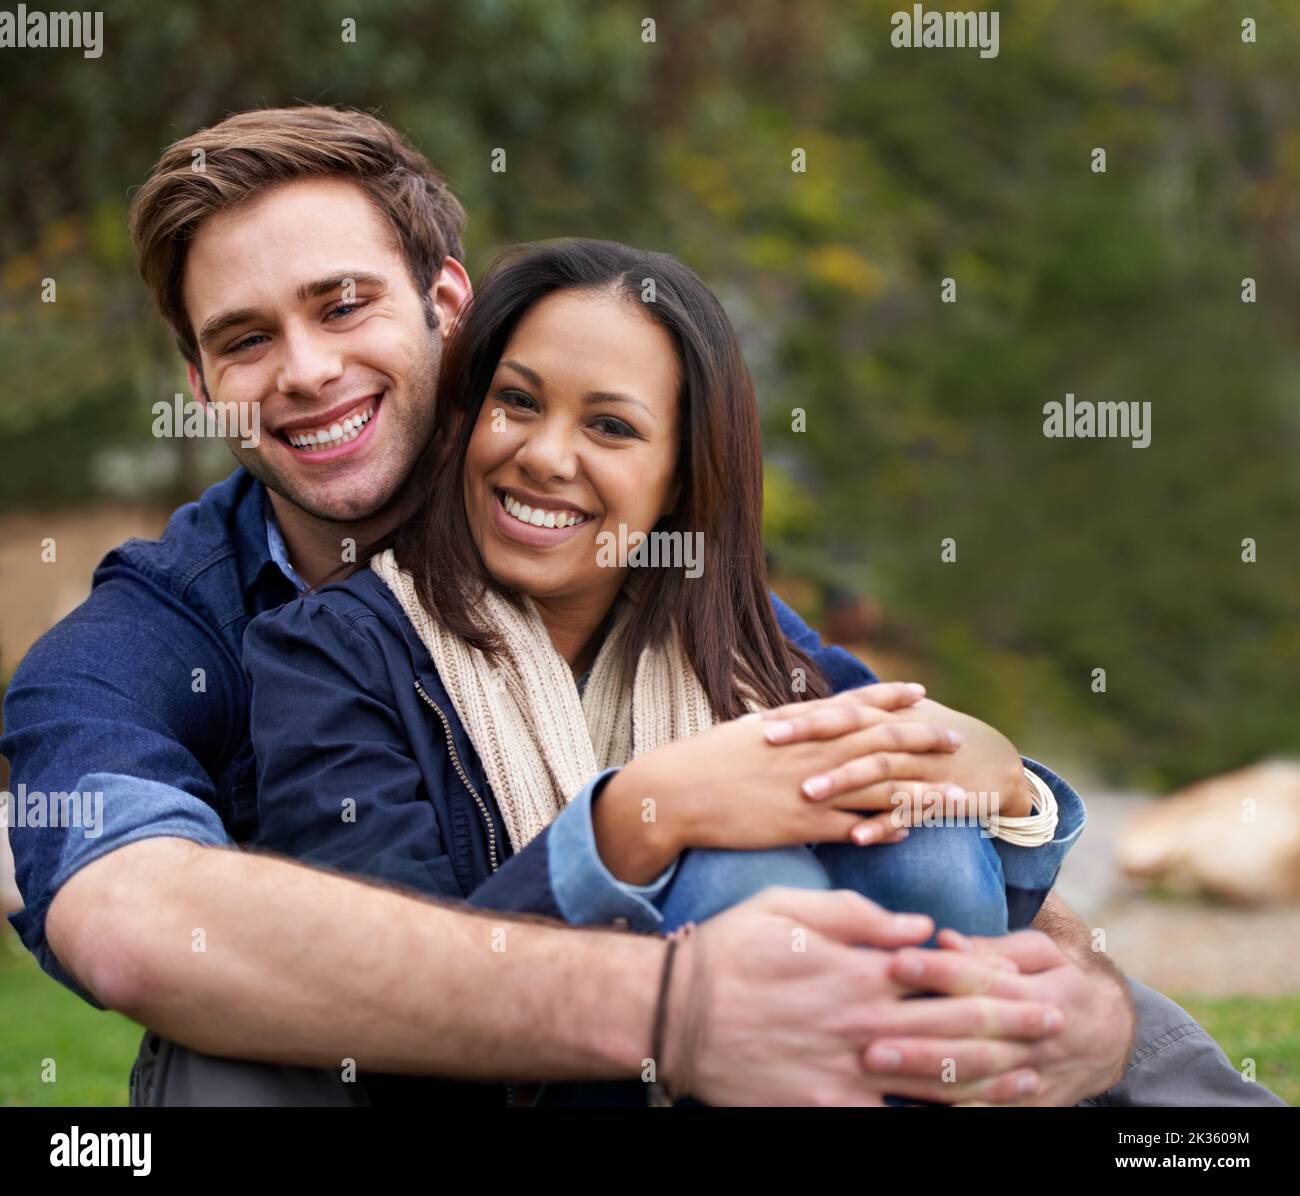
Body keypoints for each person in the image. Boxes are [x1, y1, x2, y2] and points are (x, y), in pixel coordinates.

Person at [0, 105, 1279, 1107]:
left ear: (446, 304)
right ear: (203, 379)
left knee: (1012, 957)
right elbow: (138, 916)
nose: (309, 368)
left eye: (344, 303)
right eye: (246, 338)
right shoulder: (155, 639)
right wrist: (668, 974)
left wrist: (1082, 984)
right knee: (236, 1058)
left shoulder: (634, 568)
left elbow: (874, 770)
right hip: (410, 1073)